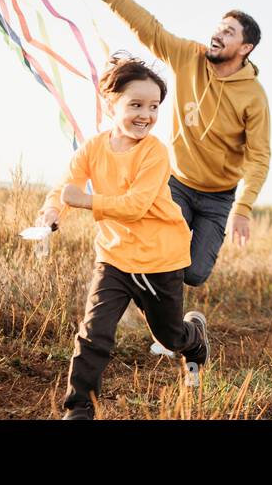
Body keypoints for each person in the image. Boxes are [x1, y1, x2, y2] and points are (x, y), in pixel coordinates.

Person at [69, 0, 271, 296]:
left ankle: (175, 320)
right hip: (176, 183)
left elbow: (259, 157)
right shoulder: (189, 57)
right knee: (159, 257)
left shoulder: (253, 96)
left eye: (230, 32)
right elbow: (149, 29)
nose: (218, 33)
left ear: (245, 48)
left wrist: (243, 208)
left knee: (193, 273)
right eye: (219, 27)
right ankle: (162, 323)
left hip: (218, 197)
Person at [35, 56, 209, 420]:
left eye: (154, 106)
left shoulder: (155, 152)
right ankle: (79, 408)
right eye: (135, 105)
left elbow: (135, 205)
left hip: (160, 259)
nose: (146, 114)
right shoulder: (94, 147)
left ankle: (194, 338)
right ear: (110, 104)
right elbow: (65, 186)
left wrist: (83, 201)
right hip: (113, 258)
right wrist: (52, 212)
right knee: (94, 332)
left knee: (169, 338)